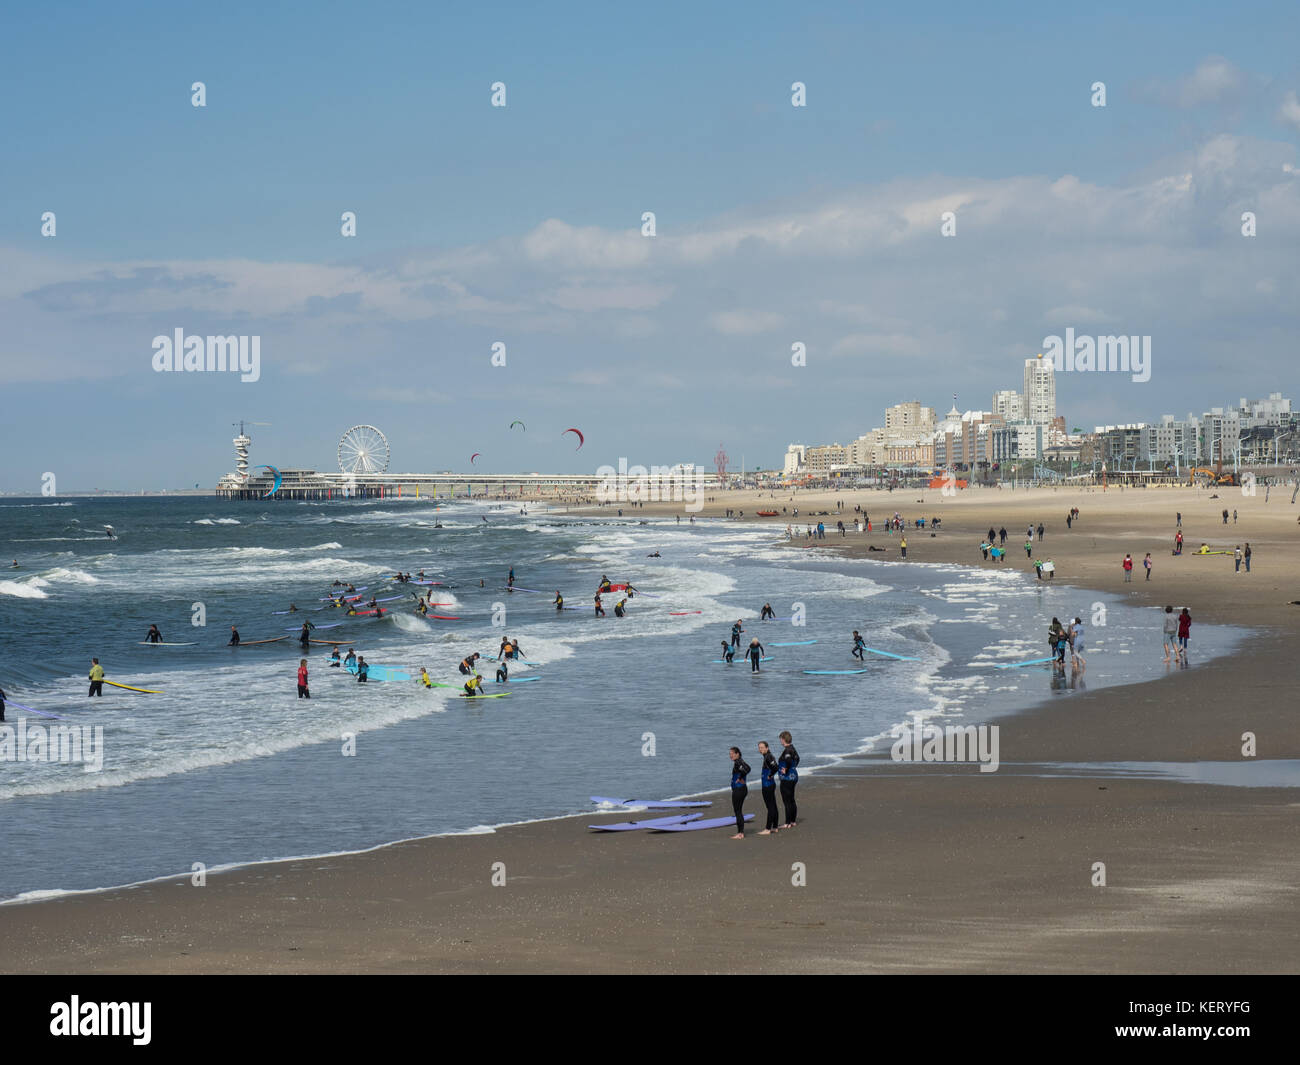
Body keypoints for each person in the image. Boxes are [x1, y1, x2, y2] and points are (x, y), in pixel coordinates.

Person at [726, 747, 752, 839]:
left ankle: (740, 833)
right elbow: (747, 768)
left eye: (732, 753)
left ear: (737, 754)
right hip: (742, 789)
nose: (731, 755)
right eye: (730, 754)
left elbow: (747, 769)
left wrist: (740, 777)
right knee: (739, 811)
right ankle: (740, 832)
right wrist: (741, 776)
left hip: (739, 790)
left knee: (738, 811)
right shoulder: (740, 761)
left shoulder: (738, 762)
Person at [757, 741, 780, 834]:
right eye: (759, 748)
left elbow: (775, 767)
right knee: (773, 805)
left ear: (767, 747)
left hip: (767, 786)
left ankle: (767, 829)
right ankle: (775, 826)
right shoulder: (768, 756)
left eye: (762, 747)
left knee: (770, 807)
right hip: (770, 784)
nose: (760, 749)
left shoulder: (768, 756)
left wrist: (770, 775)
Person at [777, 732, 799, 828]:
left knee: (787, 801)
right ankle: (793, 821)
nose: (780, 741)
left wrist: (786, 769)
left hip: (787, 779)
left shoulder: (787, 750)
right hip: (794, 777)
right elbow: (798, 759)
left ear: (783, 739)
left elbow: (789, 760)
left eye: (780, 739)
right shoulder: (793, 748)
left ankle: (787, 823)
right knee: (791, 799)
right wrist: (792, 768)